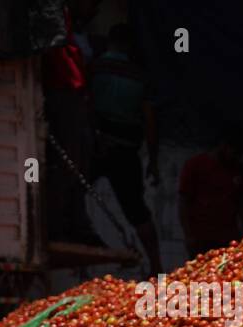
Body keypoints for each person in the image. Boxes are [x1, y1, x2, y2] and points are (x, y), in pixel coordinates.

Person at [90, 23, 162, 274]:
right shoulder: (140, 77)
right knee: (137, 210)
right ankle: (156, 265)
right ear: (131, 46)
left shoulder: (94, 68)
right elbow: (150, 122)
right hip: (125, 152)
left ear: (110, 42)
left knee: (71, 193)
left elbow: (82, 104)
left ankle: (77, 233)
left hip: (94, 146)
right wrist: (153, 160)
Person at [42, 2, 98, 245]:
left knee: (79, 162)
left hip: (72, 96)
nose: (93, 9)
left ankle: (75, 223)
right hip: (62, 93)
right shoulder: (53, 14)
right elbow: (59, 62)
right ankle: (59, 226)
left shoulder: (72, 29)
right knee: (67, 162)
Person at [178, 123, 243, 258]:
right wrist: (188, 235)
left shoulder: (238, 169)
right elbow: (183, 202)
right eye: (235, 152)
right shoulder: (195, 165)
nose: (236, 157)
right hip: (201, 237)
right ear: (224, 145)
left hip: (228, 238)